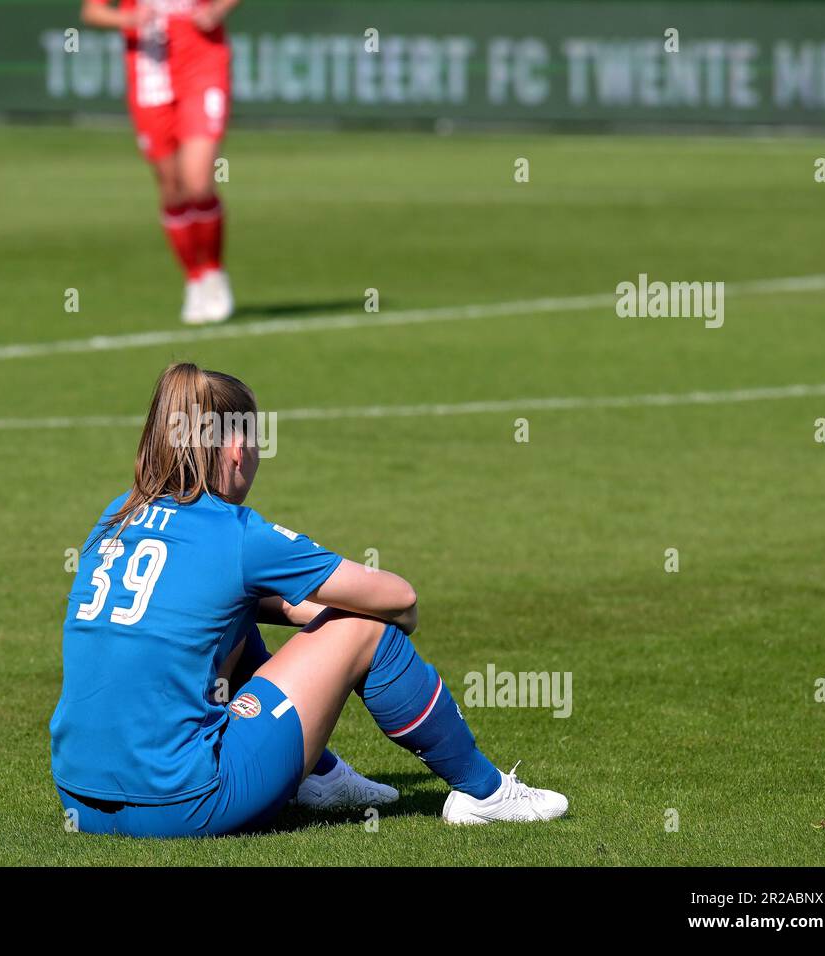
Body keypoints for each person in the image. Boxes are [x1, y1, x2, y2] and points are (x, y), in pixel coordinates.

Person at [50, 363, 569, 837]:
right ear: (235, 449)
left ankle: (319, 775)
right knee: (368, 628)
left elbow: (202, 603)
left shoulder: (117, 512)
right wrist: (360, 621)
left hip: (79, 798)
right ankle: (484, 793)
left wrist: (284, 606)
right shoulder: (239, 534)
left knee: (237, 612)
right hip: (183, 804)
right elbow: (399, 598)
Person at [81, 0, 236, 324]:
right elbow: (92, 12)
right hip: (150, 78)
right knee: (172, 188)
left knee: (198, 182)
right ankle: (193, 278)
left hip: (202, 68)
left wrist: (218, 9)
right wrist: (129, 17)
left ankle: (213, 272)